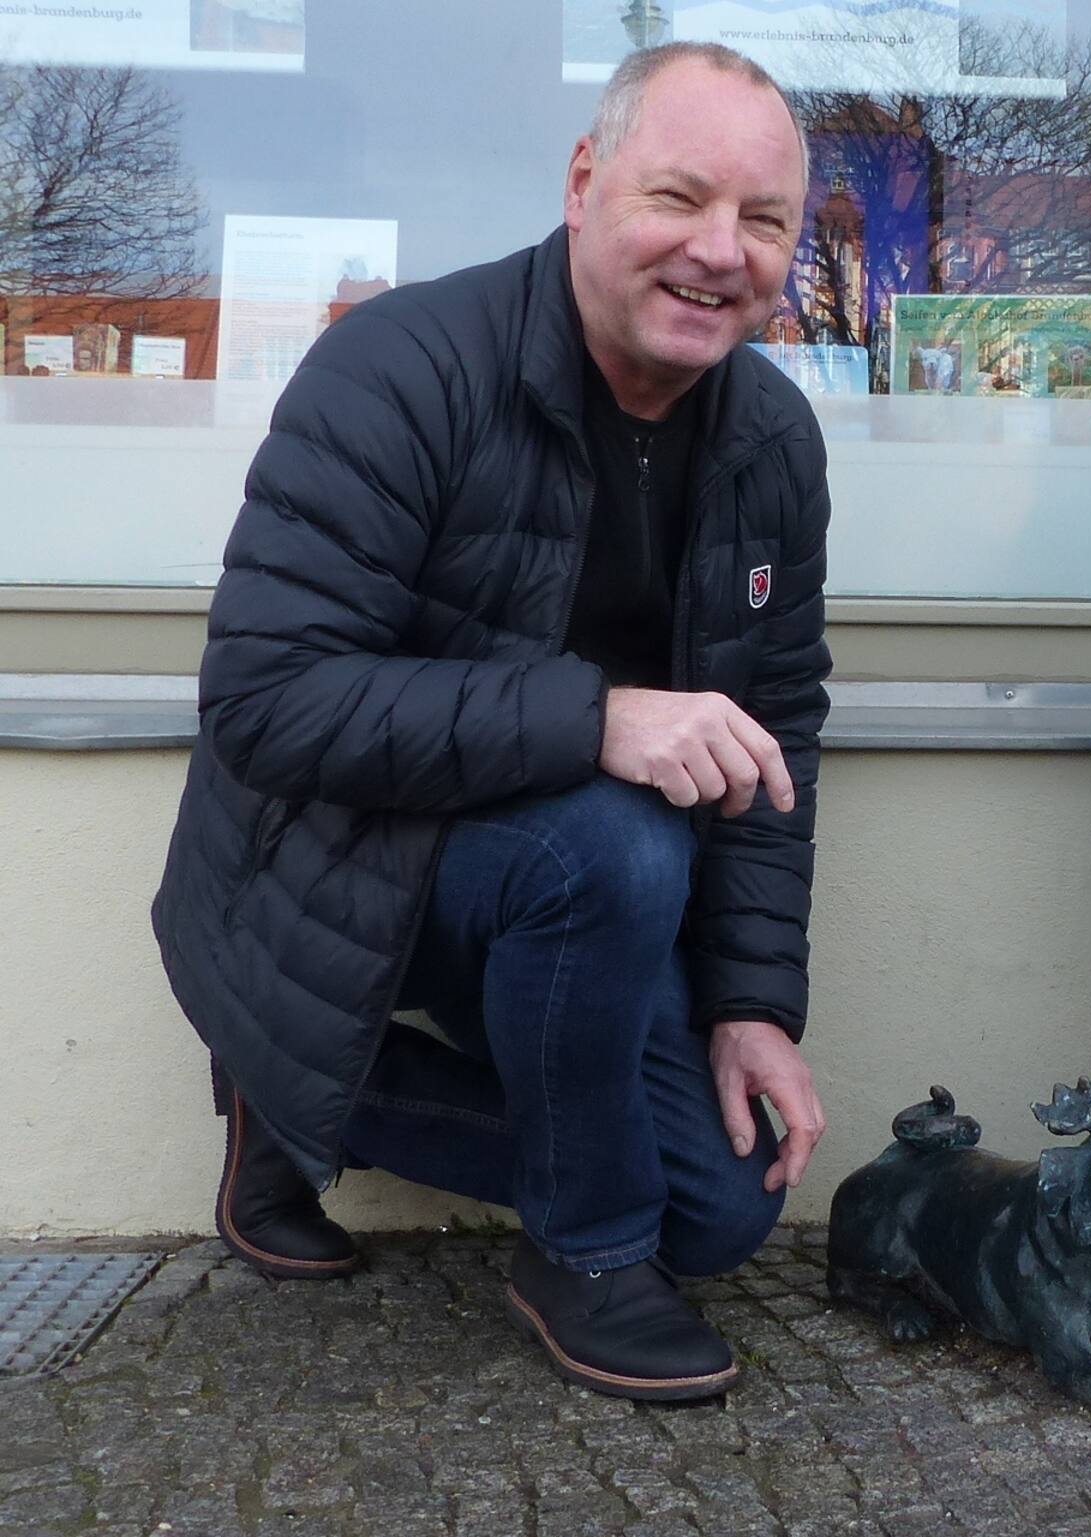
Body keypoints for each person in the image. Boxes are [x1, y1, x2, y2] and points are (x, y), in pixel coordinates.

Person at [152, 42, 831, 1403]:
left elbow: (774, 726)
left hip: (572, 913)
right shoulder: (400, 366)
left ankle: (286, 1105)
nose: (720, 251)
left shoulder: (772, 438)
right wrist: (597, 718)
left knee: (722, 1215)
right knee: (616, 842)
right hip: (339, 868)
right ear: (584, 184)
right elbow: (266, 699)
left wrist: (753, 1000)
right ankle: (580, 1255)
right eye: (679, 199)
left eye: (762, 222)